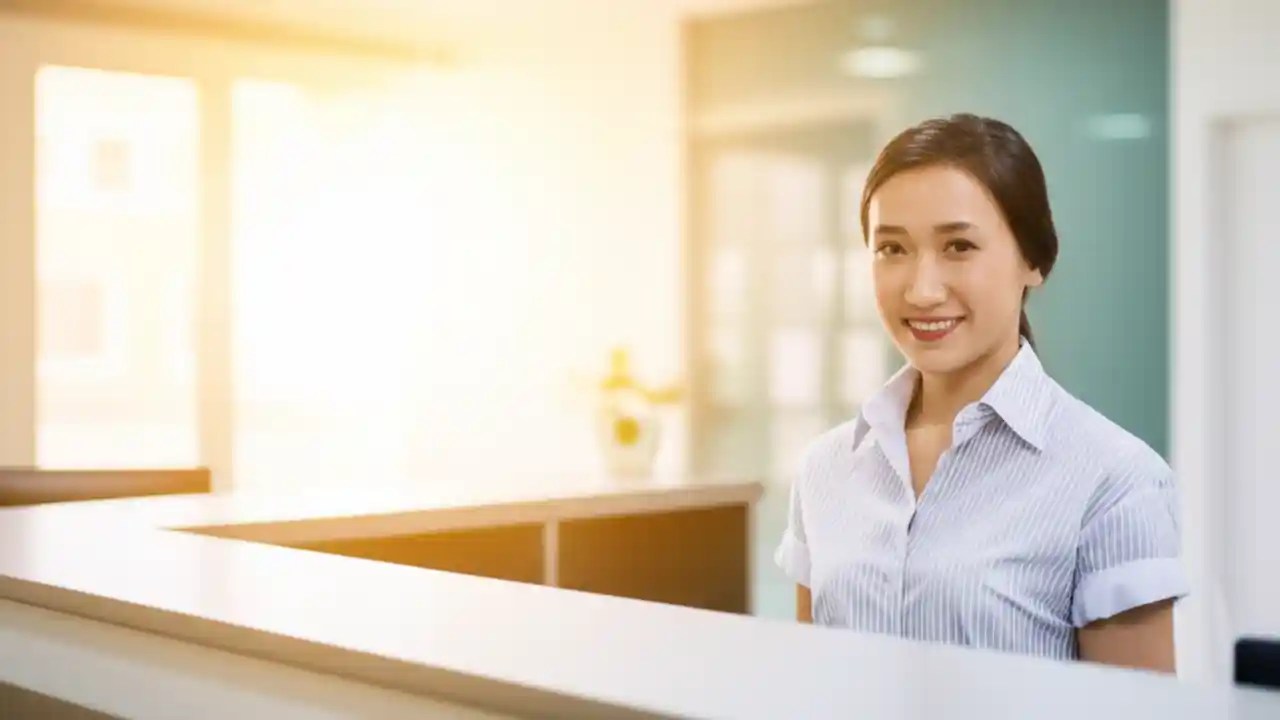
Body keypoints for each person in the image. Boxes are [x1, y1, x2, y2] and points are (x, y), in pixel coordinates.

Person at [774, 113, 1188, 673]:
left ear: (1034, 259)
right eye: (892, 249)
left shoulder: (1115, 482)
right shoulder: (826, 468)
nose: (922, 290)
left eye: (959, 246)